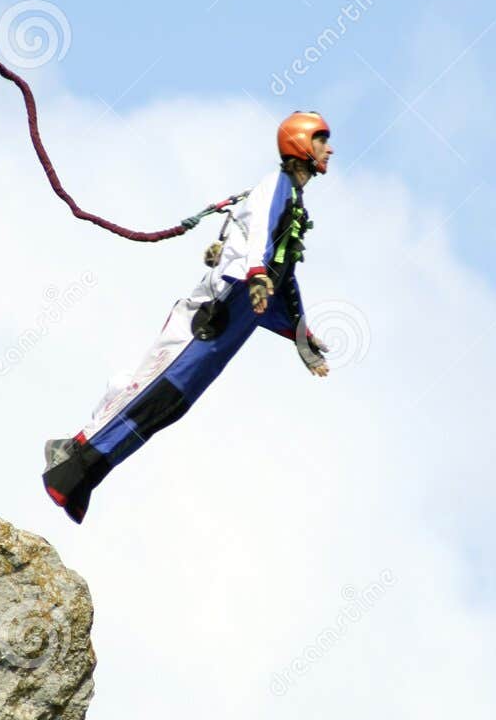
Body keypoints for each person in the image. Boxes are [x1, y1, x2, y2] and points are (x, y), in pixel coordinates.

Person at [41, 111, 333, 524]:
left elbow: (282, 278)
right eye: (322, 140)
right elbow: (257, 244)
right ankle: (70, 457)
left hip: (230, 328)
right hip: (211, 315)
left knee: (166, 408)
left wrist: (302, 337)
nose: (330, 149)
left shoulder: (293, 204)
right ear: (302, 144)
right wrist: (254, 275)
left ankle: (83, 476)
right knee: (152, 392)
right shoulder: (275, 186)